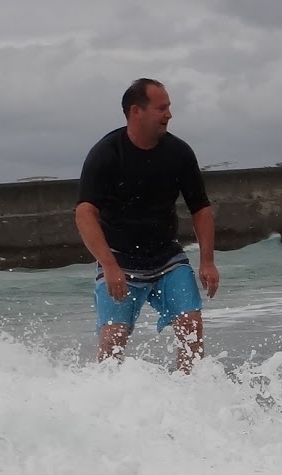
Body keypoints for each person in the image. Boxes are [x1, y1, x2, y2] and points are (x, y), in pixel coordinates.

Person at [75, 78, 219, 370]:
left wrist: (207, 261)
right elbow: (85, 213)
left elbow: (201, 209)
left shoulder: (178, 153)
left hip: (167, 259)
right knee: (113, 339)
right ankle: (102, 392)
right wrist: (110, 266)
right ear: (136, 111)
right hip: (120, 260)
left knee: (191, 325)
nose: (169, 114)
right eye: (161, 108)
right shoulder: (107, 153)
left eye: (168, 107)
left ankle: (189, 388)